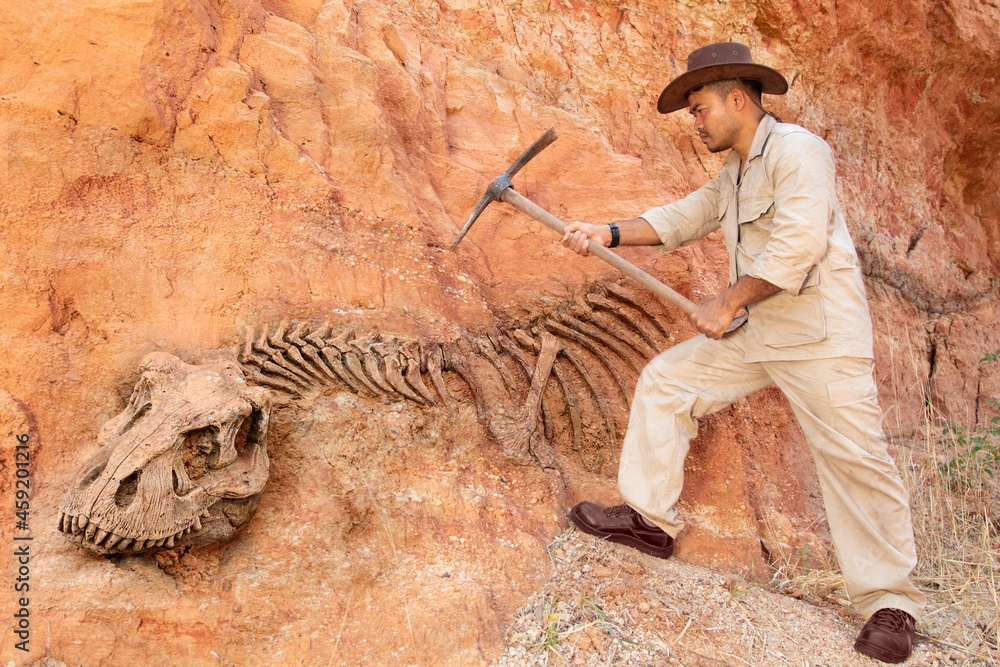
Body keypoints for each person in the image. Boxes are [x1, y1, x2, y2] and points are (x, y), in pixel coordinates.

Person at [560, 42, 926, 664]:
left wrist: (728, 301)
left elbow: (799, 244)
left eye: (699, 108)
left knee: (857, 462)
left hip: (819, 338)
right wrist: (609, 232)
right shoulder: (734, 172)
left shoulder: (798, 151)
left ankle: (892, 604)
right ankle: (648, 520)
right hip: (760, 335)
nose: (695, 122)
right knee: (667, 382)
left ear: (737, 99)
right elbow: (683, 217)